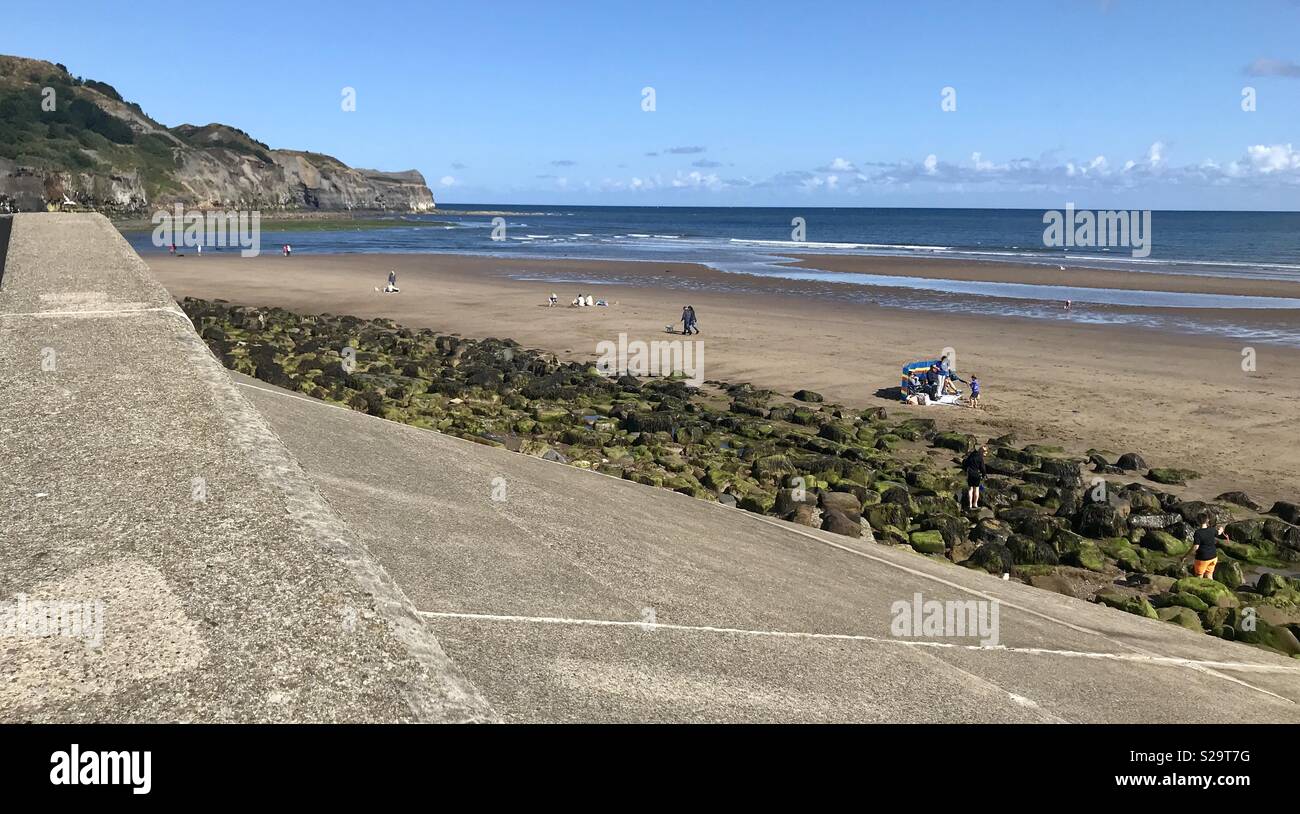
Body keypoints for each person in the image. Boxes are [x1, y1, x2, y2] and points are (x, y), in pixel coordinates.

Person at [1183, 513, 1226, 578]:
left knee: (1199, 577)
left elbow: (1196, 547)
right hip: (1213, 557)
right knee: (1209, 575)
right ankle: (1213, 587)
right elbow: (1219, 532)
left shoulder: (1198, 533)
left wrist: (1185, 556)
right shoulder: (1212, 530)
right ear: (1207, 520)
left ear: (1198, 521)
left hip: (1202, 559)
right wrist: (1221, 529)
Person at [962, 444, 987, 509]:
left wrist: (965, 470)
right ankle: (975, 503)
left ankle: (970, 504)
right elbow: (983, 468)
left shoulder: (971, 456)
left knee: (970, 489)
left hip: (970, 474)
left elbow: (965, 463)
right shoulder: (980, 458)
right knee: (976, 489)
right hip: (976, 474)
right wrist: (984, 475)